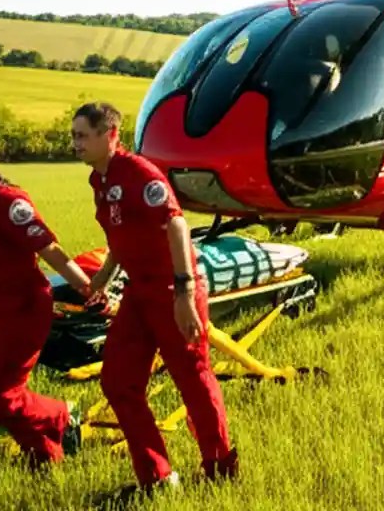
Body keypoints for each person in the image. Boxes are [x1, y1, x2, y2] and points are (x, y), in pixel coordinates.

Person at [71, 101, 238, 497]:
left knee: (193, 378)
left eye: (82, 135)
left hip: (173, 287)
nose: (74, 142)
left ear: (109, 136)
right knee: (118, 381)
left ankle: (219, 470)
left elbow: (177, 225)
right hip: (138, 291)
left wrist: (183, 292)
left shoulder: (139, 174)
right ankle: (157, 478)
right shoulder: (100, 180)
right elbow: (119, 238)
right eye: (73, 135)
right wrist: (101, 280)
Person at [0, 131, 92, 468]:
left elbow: (49, 250)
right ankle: (45, 453)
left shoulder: (7, 201)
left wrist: (87, 288)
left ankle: (61, 415)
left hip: (23, 309)